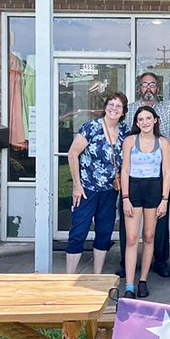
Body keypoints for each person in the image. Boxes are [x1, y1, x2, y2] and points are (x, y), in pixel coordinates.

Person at [119, 48, 170, 277]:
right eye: (144, 84)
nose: (148, 88)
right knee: (128, 221)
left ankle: (160, 261)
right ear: (139, 88)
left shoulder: (167, 108)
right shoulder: (129, 110)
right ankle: (126, 263)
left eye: (152, 85)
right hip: (133, 175)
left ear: (157, 89)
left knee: (159, 222)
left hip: (159, 174)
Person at [66, 92, 129, 275]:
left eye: (118, 106)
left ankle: (97, 276)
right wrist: (77, 186)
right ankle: (68, 278)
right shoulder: (91, 127)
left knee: (104, 233)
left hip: (110, 190)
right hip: (87, 189)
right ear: (105, 107)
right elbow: (72, 154)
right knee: (78, 232)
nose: (114, 109)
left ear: (123, 111)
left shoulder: (125, 131)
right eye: (111, 104)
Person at [121, 106, 170, 299]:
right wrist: (125, 198)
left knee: (149, 236)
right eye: (141, 119)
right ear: (136, 122)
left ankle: (143, 280)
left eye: (148, 118)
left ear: (155, 120)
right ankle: (129, 285)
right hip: (134, 189)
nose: (145, 122)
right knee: (132, 238)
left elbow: (167, 173)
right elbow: (125, 170)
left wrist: (164, 199)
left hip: (154, 190)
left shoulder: (163, 143)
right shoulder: (129, 141)